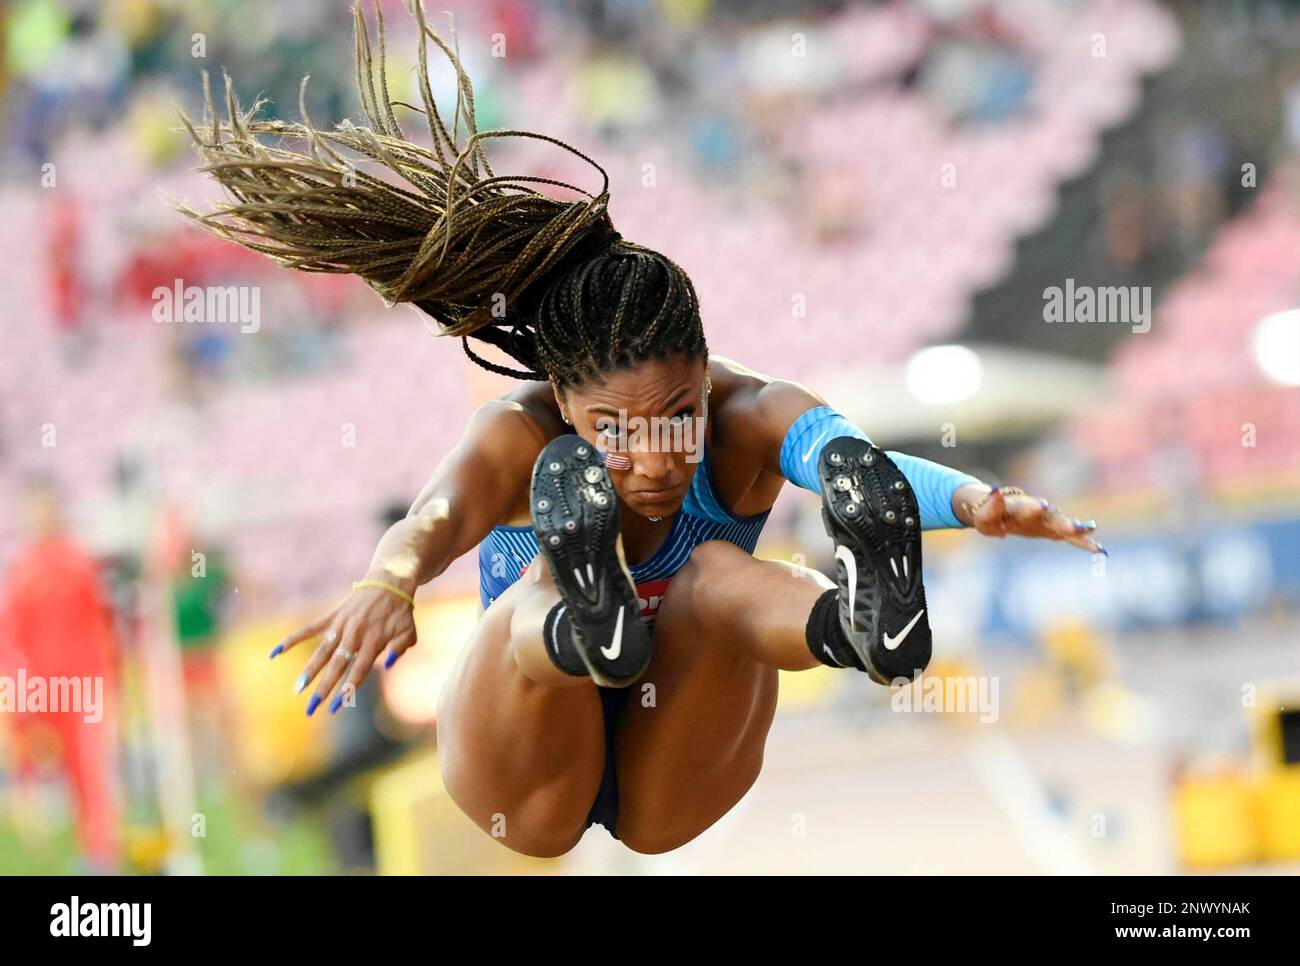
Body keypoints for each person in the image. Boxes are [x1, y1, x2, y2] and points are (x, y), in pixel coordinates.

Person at [181, 1, 1102, 856]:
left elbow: (852, 466)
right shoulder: (519, 433)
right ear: (563, 402)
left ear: (706, 379)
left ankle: (857, 628)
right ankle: (586, 620)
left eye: (678, 417)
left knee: (716, 579)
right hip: (530, 764)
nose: (654, 460)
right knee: (541, 593)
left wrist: (974, 501)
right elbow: (438, 517)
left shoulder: (748, 410)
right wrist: (391, 580)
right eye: (612, 432)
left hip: (677, 771)